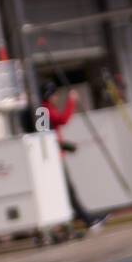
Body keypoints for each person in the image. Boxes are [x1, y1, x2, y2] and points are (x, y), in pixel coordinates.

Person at [39, 82, 105, 231]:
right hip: (53, 160)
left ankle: (80, 219)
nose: (56, 98)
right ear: (49, 95)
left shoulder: (43, 110)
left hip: (53, 156)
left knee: (65, 191)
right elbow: (62, 120)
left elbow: (49, 137)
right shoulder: (44, 109)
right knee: (68, 190)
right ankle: (87, 220)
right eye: (54, 94)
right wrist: (71, 101)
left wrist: (65, 146)